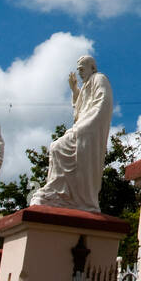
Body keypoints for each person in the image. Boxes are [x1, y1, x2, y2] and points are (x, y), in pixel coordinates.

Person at [31, 56, 112, 212]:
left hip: (88, 129)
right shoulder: (87, 85)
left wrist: (86, 125)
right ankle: (61, 193)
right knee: (56, 147)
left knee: (58, 147)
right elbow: (79, 109)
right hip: (82, 126)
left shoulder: (99, 79)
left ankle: (63, 194)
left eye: (82, 69)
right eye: (78, 70)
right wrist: (75, 90)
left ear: (92, 68)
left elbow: (103, 103)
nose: (80, 73)